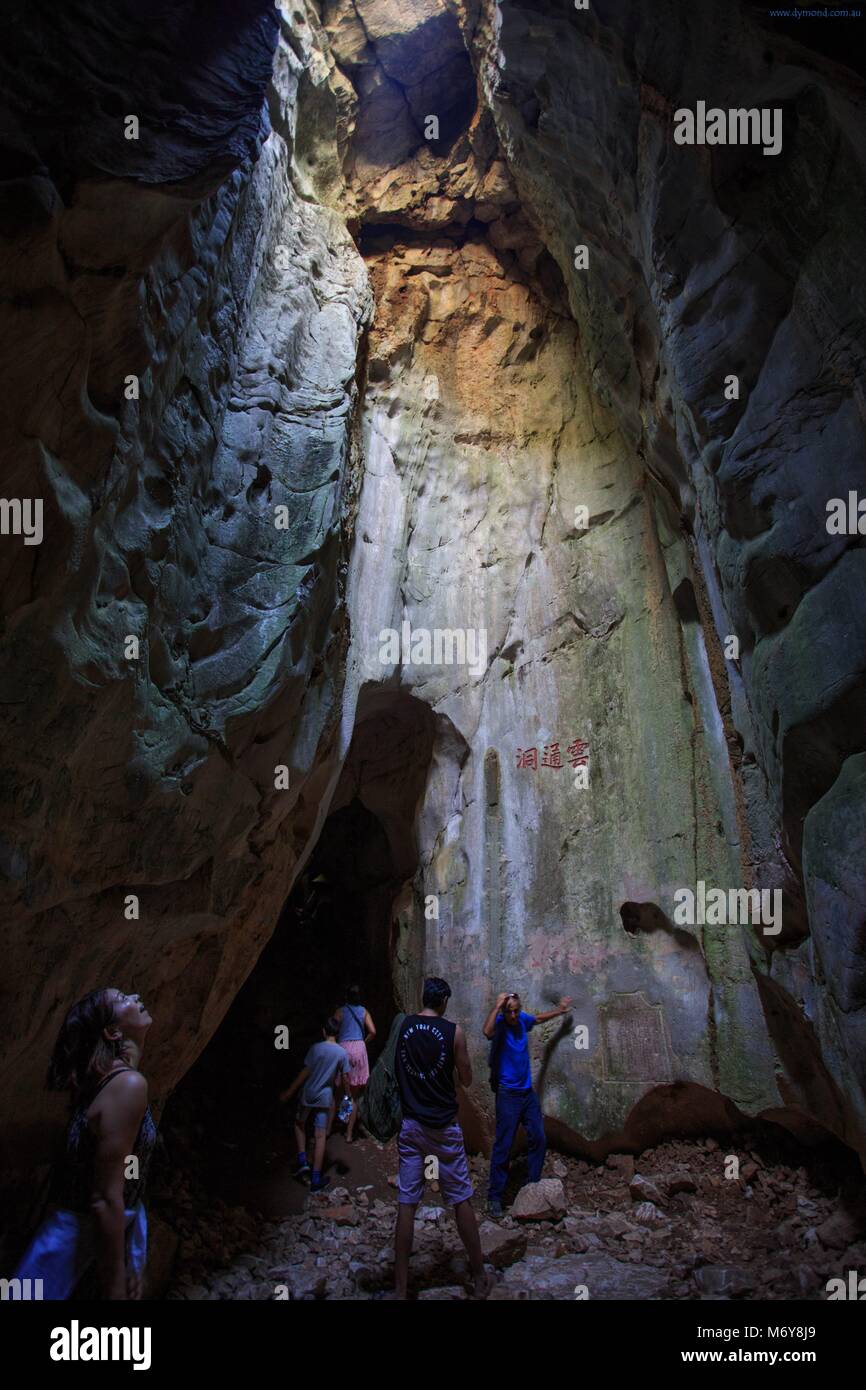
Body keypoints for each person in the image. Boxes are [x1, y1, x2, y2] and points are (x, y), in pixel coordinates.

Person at [11, 987, 156, 1299]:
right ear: (113, 1031)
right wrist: (115, 1282)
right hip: (81, 1236)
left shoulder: (111, 1080)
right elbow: (104, 1198)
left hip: (89, 1229)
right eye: (122, 999)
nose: (135, 996)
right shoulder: (128, 1086)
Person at [392, 977, 490, 1300]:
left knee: (407, 1203)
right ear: (444, 1001)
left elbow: (396, 1068)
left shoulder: (404, 1026)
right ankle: (478, 1276)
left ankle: (401, 1287)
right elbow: (466, 1076)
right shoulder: (453, 1032)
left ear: (423, 998)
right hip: (443, 1127)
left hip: (411, 1125)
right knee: (460, 1197)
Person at [483, 990, 573, 1218]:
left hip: (526, 1093)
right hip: (508, 1094)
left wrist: (560, 1012)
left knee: (539, 1137)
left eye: (516, 1010)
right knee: (504, 1143)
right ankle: (494, 1197)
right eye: (509, 1011)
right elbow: (487, 1031)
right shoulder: (501, 1024)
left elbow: (538, 1019)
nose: (513, 1015)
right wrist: (497, 1007)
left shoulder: (522, 1019)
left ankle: (532, 1187)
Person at [280, 1016, 351, 1193]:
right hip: (325, 1097)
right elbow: (345, 1079)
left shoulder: (316, 1048)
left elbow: (305, 1072)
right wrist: (348, 1096)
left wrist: (289, 1091)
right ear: (338, 1033)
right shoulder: (342, 1053)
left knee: (299, 1123)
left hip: (309, 1093)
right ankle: (316, 1179)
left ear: (324, 1031)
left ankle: (303, 1161)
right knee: (320, 1136)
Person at [333, 985, 376, 1143]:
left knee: (339, 1091)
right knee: (355, 1094)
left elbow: (332, 1028)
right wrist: (363, 1042)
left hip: (343, 1048)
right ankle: (349, 1133)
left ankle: (333, 1125)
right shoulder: (364, 1011)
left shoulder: (340, 1011)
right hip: (359, 1048)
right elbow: (373, 1031)